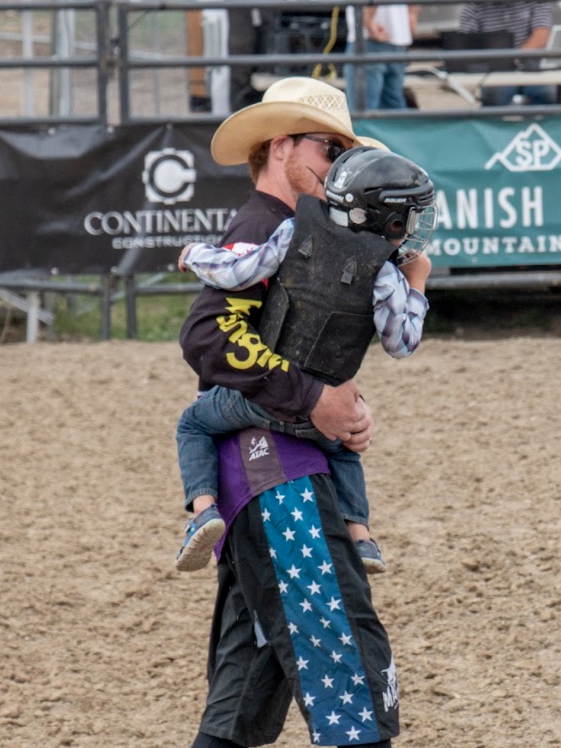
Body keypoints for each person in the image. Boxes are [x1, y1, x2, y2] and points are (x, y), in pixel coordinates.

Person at [147, 75, 523, 748]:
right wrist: (312, 398)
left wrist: (328, 401)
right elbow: (206, 337)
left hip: (263, 480)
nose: (337, 161)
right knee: (349, 670)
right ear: (281, 146)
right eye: (327, 146)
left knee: (241, 695)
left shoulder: (311, 233)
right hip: (279, 482)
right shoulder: (262, 227)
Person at [173, 146, 436, 577]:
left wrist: (194, 255)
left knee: (193, 424)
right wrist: (418, 284)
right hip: (324, 415)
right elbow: (401, 342)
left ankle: (203, 512)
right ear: (390, 223)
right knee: (347, 452)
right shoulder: (385, 273)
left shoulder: (293, 230)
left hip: (263, 399)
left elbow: (239, 271)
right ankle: (361, 536)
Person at [458, 0, 556, 108]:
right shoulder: (474, 3)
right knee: (497, 94)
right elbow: (465, 40)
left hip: (531, 63)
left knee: (549, 94)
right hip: (495, 67)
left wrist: (513, 57)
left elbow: (541, 34)